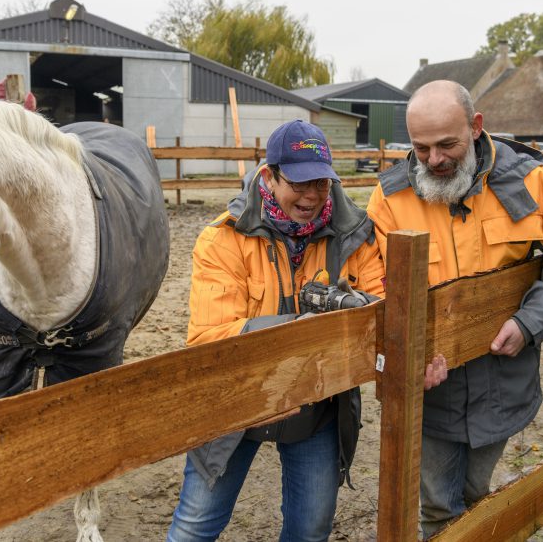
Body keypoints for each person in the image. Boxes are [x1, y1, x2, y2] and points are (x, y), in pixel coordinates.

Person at [366, 81, 543, 537]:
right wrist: (410, 352)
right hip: (432, 385)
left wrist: (529, 322)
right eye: (420, 148)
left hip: (503, 377)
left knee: (478, 492)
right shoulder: (391, 198)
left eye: (447, 145)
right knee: (436, 502)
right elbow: (374, 280)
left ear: (476, 127)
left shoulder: (531, 183)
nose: (434, 160)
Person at [167, 120, 393, 542]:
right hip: (236, 399)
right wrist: (303, 330)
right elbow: (207, 338)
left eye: (322, 184)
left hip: (317, 400)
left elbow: (381, 310)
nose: (311, 196)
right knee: (194, 527)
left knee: (310, 530)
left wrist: (356, 314)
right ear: (270, 176)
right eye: (299, 183)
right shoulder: (223, 239)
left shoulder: (356, 236)